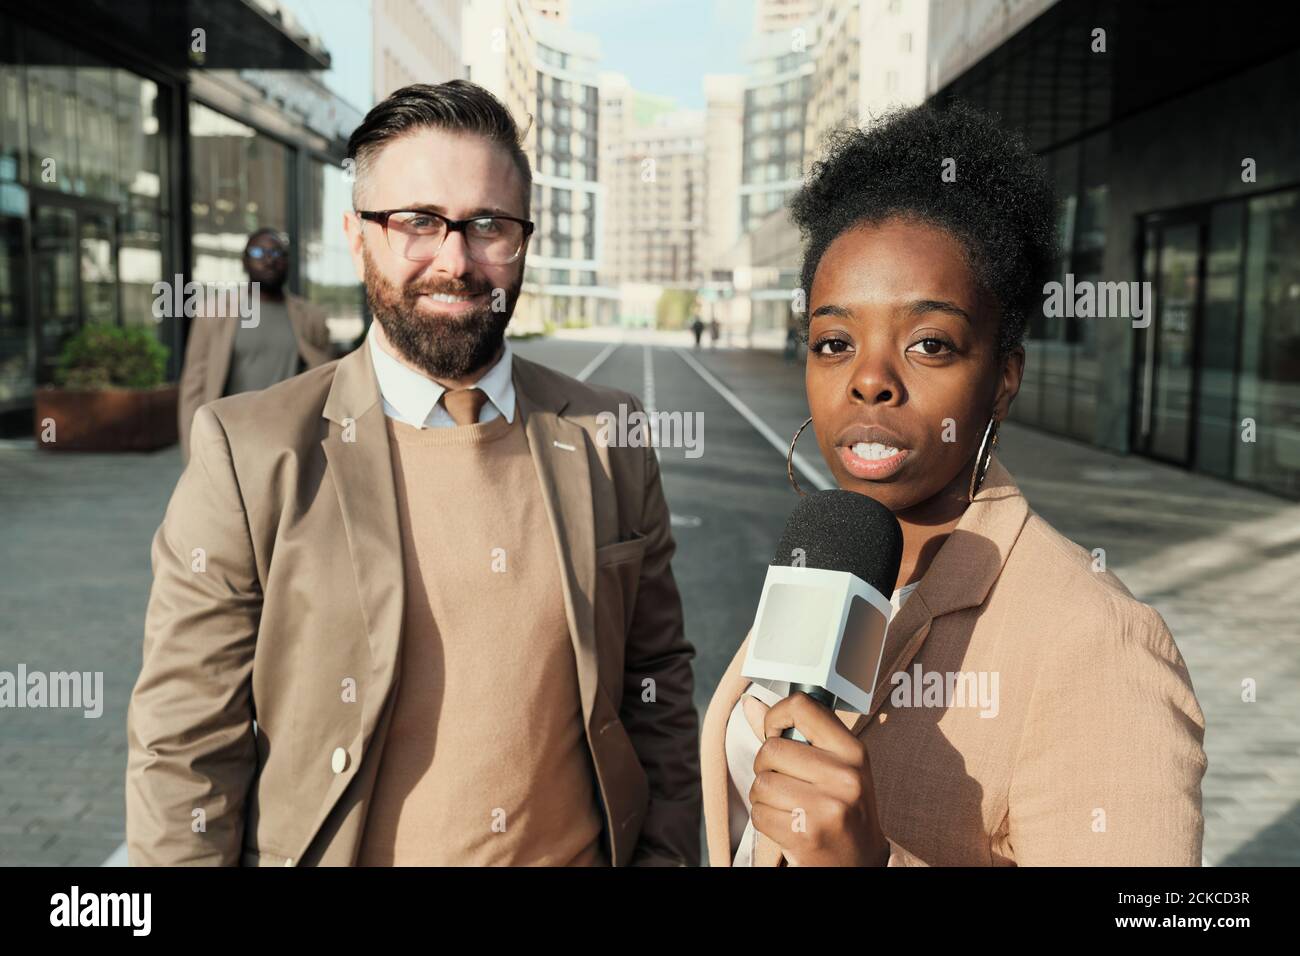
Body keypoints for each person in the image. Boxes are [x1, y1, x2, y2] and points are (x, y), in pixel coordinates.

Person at [128, 80, 700, 867]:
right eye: (417, 222)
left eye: (487, 225)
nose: (456, 260)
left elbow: (658, 680)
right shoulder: (249, 453)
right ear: (357, 236)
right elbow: (186, 746)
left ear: (523, 240)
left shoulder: (611, 435)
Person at [700, 103, 1207, 867]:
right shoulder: (834, 557)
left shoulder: (1100, 644)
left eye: (929, 344)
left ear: (1003, 379)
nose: (869, 380)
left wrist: (872, 862)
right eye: (834, 342)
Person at [175, 228, 334, 461]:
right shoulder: (215, 312)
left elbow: (326, 377)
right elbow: (193, 385)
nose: (269, 258)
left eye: (277, 252)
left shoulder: (310, 317)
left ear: (288, 262)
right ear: (244, 261)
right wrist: (192, 451)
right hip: (230, 438)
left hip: (290, 441)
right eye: (259, 251)